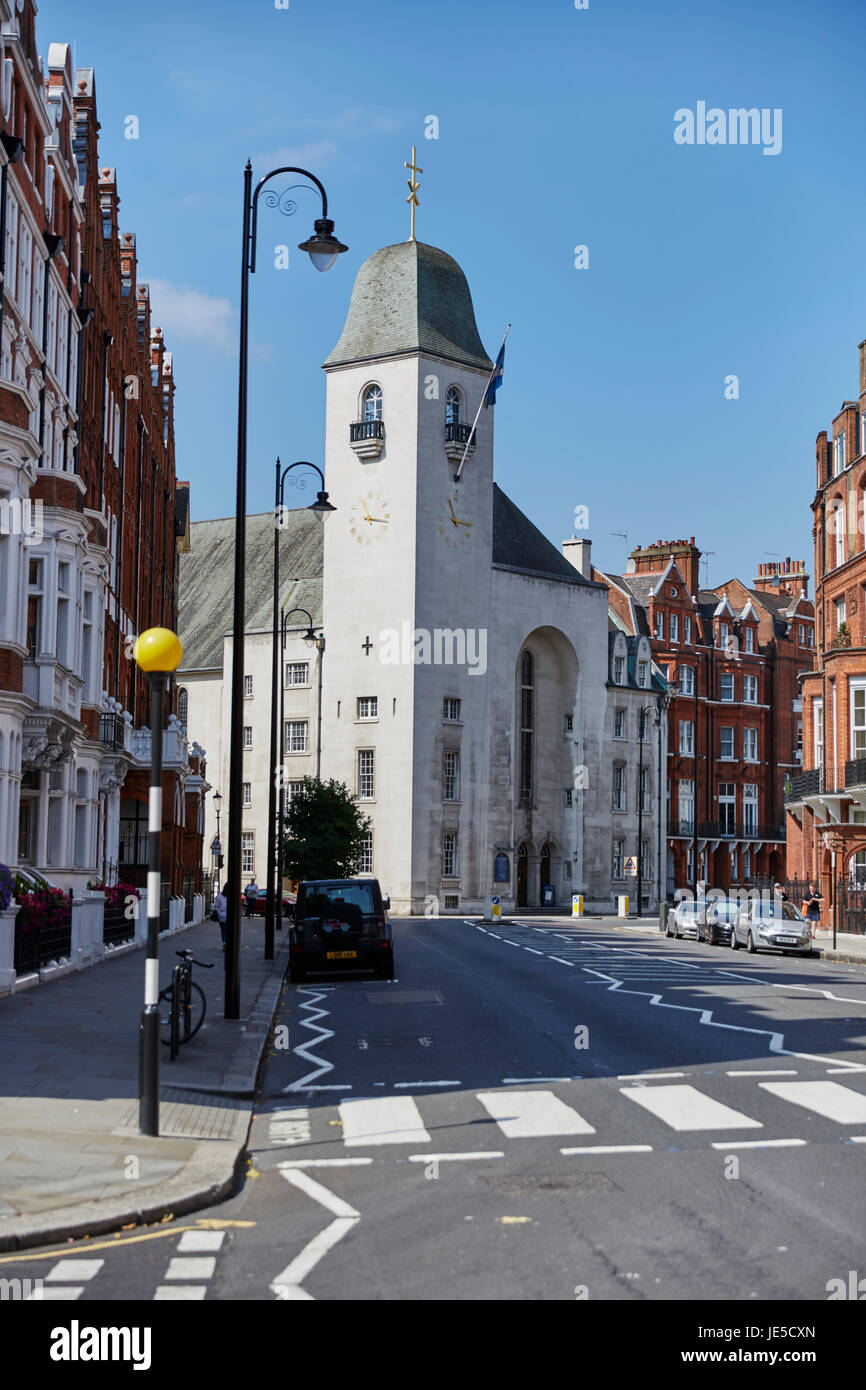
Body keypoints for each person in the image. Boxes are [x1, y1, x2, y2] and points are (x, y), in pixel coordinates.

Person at [214, 880, 229, 948]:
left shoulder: (219, 896)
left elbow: (216, 906)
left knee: (223, 930)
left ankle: (224, 942)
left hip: (221, 915)